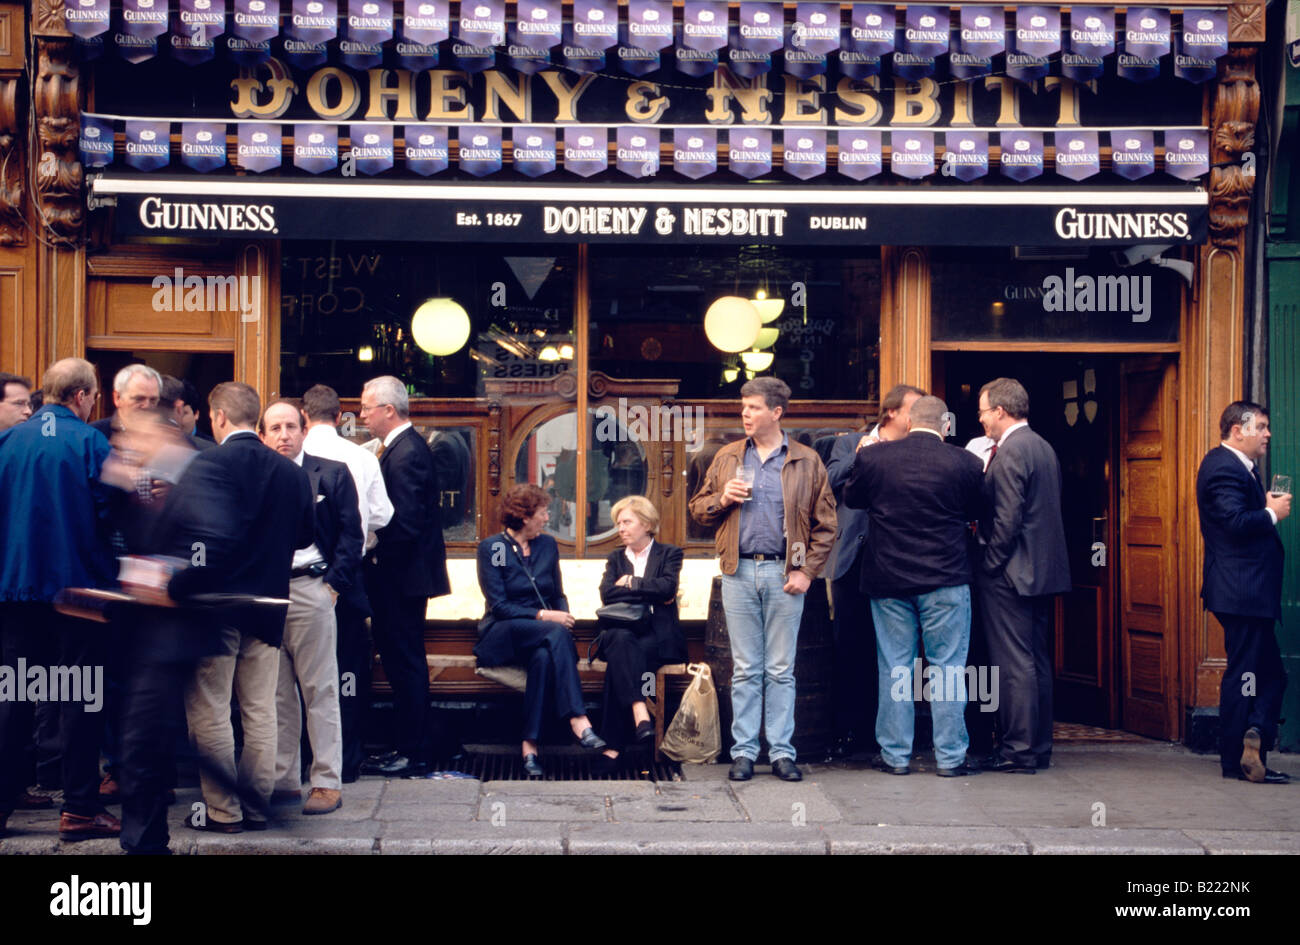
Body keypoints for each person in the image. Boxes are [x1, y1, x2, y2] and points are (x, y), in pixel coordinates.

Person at [175, 382, 315, 833]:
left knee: (211, 709)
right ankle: (257, 807)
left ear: (217, 416)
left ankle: (223, 811)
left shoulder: (202, 463)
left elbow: (188, 537)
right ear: (256, 419)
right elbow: (304, 537)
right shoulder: (291, 472)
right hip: (269, 603)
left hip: (214, 605)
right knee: (261, 710)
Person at [688, 376, 837, 783]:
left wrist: (807, 572)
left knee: (781, 669)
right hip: (737, 572)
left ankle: (783, 753)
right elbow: (698, 508)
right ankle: (745, 753)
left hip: (783, 573)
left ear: (776, 413)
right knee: (745, 669)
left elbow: (826, 525)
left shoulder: (806, 460)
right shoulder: (728, 457)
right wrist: (722, 499)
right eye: (743, 406)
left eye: (753, 407)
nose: (745, 413)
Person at [0, 358, 120, 841]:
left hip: (15, 592)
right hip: (77, 595)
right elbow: (110, 515)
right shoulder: (91, 441)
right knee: (79, 699)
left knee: (15, 698)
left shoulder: (7, 441)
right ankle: (79, 809)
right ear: (83, 396)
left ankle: (2, 808)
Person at [845, 395, 986, 776]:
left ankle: (895, 756)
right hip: (946, 579)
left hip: (888, 578)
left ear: (908, 423)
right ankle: (951, 758)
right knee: (949, 669)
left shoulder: (875, 458)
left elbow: (852, 497)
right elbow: (978, 511)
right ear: (946, 426)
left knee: (895, 667)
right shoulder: (967, 463)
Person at [261, 400, 361, 815]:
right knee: (277, 693)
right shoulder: (259, 476)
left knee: (320, 690)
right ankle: (285, 779)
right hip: (267, 593)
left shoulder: (331, 473)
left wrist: (332, 588)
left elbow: (352, 537)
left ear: (304, 430)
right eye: (275, 428)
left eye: (290, 426)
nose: (284, 434)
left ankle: (325, 782)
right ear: (263, 435)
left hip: (311, 589)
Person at [475, 483, 606, 777]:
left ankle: (529, 747)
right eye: (543, 512)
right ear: (524, 517)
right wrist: (547, 616)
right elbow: (500, 606)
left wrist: (564, 615)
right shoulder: (493, 549)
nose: (547, 518)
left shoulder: (547, 545)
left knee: (544, 660)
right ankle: (578, 719)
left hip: (542, 636)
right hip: (503, 633)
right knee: (554, 633)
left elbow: (557, 592)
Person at [975, 377, 1071, 773]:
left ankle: (1018, 751)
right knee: (1036, 661)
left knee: (1014, 664)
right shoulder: (1043, 446)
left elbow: (1008, 518)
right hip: (1042, 573)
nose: (980, 419)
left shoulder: (1012, 450)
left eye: (983, 411)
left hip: (1011, 574)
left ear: (1000, 411)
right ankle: (1039, 747)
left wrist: (990, 564)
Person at [824, 384, 924, 758]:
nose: (920, 415)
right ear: (892, 412)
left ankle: (894, 737)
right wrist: (860, 456)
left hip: (897, 560)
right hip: (851, 559)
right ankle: (851, 733)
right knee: (850, 646)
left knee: (895, 651)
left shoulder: (915, 449)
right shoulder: (849, 443)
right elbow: (829, 482)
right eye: (915, 408)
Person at [358, 376, 450, 778]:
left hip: (402, 580)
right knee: (402, 663)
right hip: (402, 577)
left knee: (405, 664)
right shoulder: (400, 448)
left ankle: (412, 752)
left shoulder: (406, 452)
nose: (362, 416)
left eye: (366, 408)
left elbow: (406, 523)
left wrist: (372, 551)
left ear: (388, 410)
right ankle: (412, 746)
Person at [301, 383, 393, 783]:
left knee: (301, 675)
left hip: (302, 578)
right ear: (340, 417)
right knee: (347, 671)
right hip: (349, 577)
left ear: (304, 417)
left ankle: (306, 759)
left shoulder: (297, 459)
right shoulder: (361, 456)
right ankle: (347, 759)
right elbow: (382, 516)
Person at [1196, 401, 1291, 783]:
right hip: (1242, 592)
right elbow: (1235, 522)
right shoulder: (1222, 466)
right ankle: (1238, 758)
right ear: (1239, 429)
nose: (1268, 434)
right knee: (1245, 674)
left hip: (1248, 592)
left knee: (1269, 675)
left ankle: (1255, 737)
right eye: (1262, 427)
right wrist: (1272, 513)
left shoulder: (1239, 468)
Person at [592, 496, 686, 773]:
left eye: (627, 522)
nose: (620, 528)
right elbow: (607, 593)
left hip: (657, 635)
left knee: (621, 663)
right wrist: (648, 589)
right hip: (619, 631)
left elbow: (667, 587)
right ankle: (639, 711)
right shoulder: (615, 557)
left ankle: (612, 747)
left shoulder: (670, 553)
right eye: (618, 523)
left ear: (646, 524)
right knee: (622, 642)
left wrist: (632, 582)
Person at [91, 363, 162, 439]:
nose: (147, 405)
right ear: (117, 398)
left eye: (153, 400)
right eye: (139, 399)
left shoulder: (167, 437)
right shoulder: (94, 435)